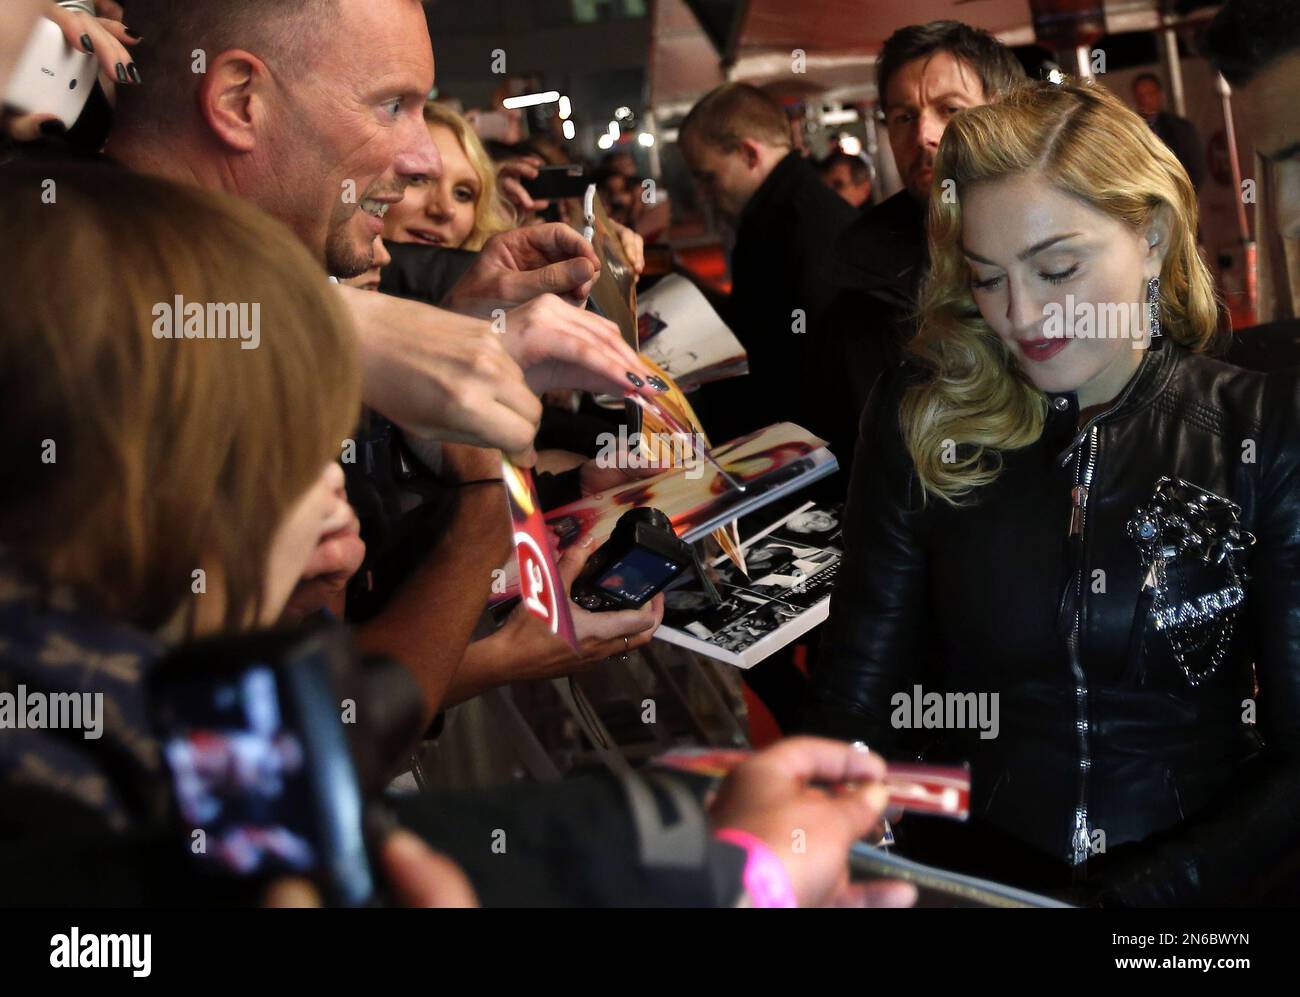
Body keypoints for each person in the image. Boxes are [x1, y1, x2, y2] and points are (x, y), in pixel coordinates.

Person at [0, 159, 912, 910]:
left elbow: (345, 800)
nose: (335, 475)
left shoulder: (158, 693)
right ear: (146, 472)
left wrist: (717, 850)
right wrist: (732, 871)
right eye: (289, 429)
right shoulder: (74, 791)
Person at [802, 77, 1300, 906]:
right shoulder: (924, 416)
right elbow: (856, 698)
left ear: (1151, 235)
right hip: (971, 880)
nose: (1022, 315)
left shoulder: (1264, 428)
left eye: (1056, 267)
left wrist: (1145, 892)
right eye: (988, 278)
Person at [817, 21, 1025, 470]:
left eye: (950, 109)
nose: (924, 135)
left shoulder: (1069, 247)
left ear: (1009, 113)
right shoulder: (858, 276)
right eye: (904, 117)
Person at [678, 81, 856, 445]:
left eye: (708, 177)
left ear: (748, 154)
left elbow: (802, 372)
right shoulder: (784, 212)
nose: (704, 195)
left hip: (807, 457)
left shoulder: (799, 224)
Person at [1132, 72, 1205, 192]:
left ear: (1160, 95)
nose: (1146, 99)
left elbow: (1196, 168)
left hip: (1178, 196)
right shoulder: (1132, 130)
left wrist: (1186, 197)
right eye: (1140, 95)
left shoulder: (1180, 128)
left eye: (1150, 93)